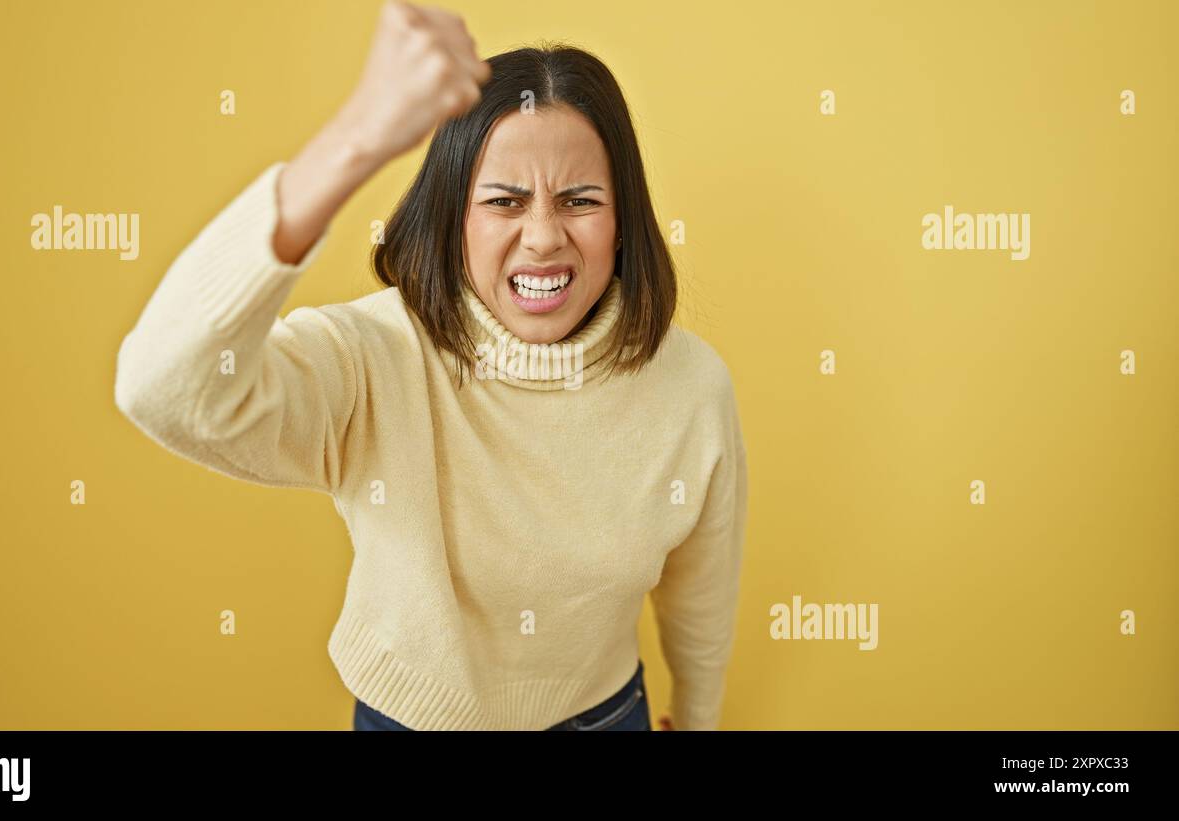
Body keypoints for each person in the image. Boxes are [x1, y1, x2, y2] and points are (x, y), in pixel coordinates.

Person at [114, 0, 748, 731]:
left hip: (606, 715)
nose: (543, 237)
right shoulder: (374, 358)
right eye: (504, 200)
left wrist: (699, 722)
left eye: (580, 200)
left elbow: (704, 589)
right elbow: (160, 385)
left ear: (622, 219)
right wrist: (356, 139)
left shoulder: (692, 386)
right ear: (453, 218)